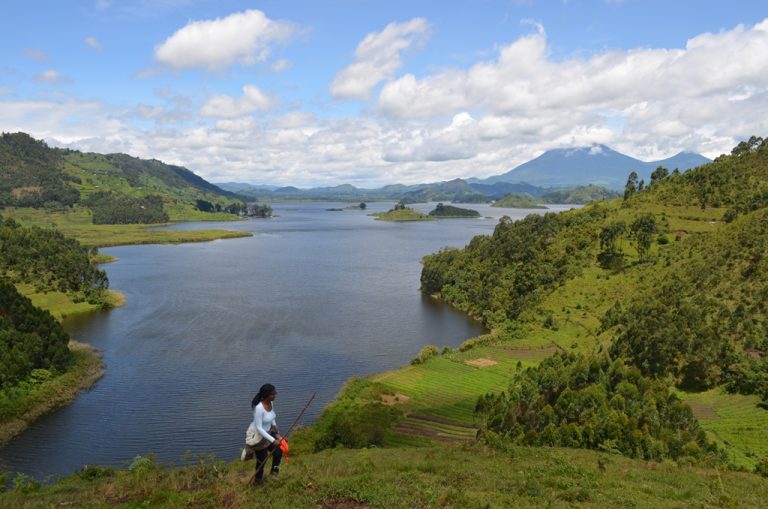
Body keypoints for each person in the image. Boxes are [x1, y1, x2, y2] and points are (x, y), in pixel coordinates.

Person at [250, 383, 283, 485]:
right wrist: (273, 440)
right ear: (267, 395)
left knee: (278, 452)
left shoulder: (271, 404)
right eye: (273, 394)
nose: (275, 395)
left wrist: (275, 426)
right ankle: (258, 480)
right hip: (259, 436)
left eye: (275, 393)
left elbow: (271, 416)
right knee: (262, 459)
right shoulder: (259, 408)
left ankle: (274, 473)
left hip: (269, 433)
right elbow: (259, 428)